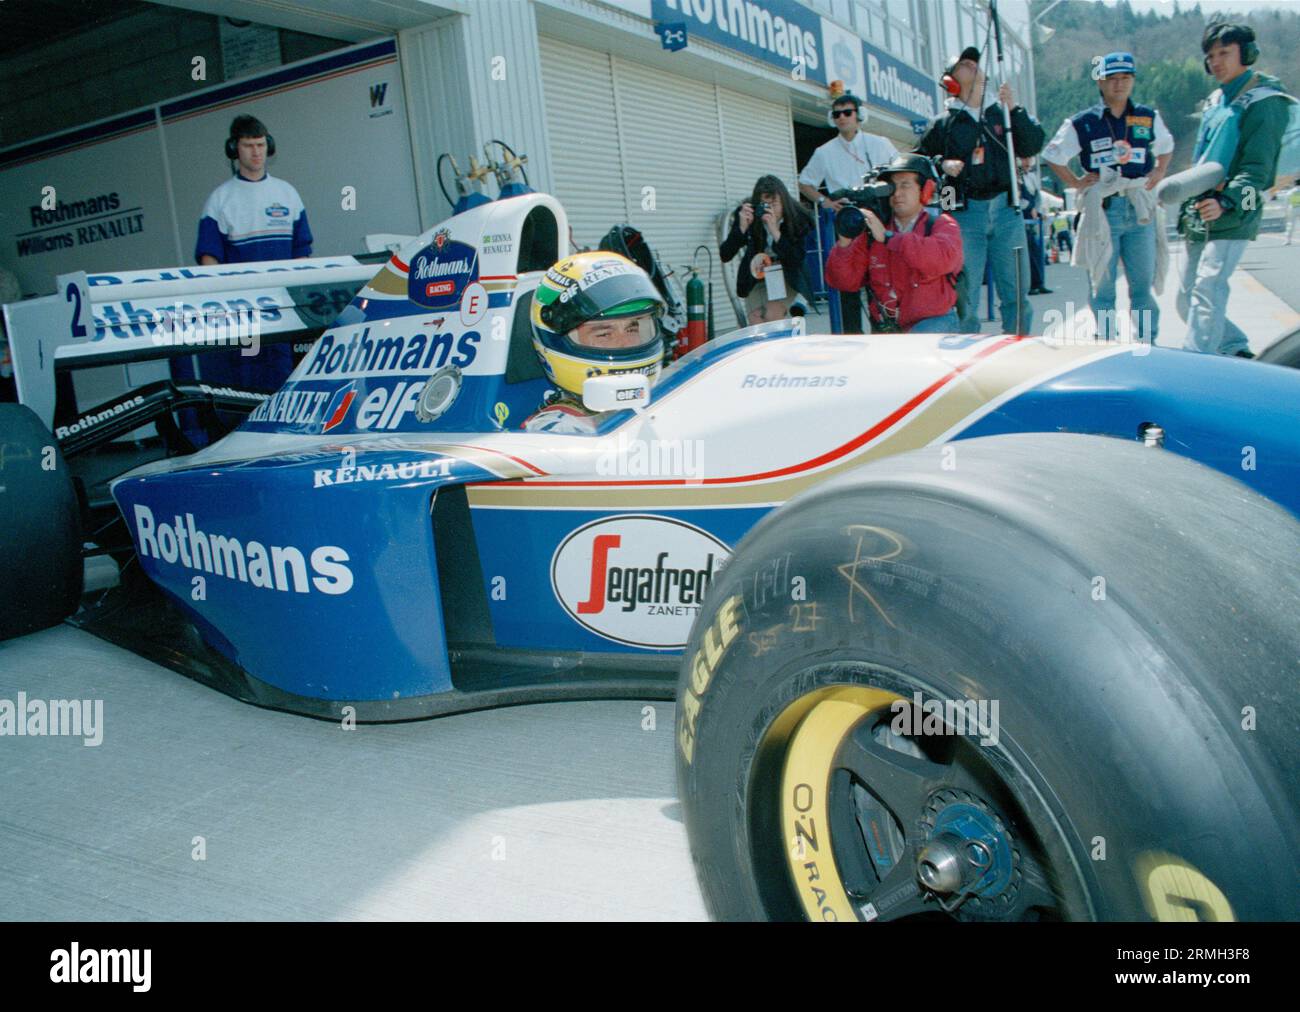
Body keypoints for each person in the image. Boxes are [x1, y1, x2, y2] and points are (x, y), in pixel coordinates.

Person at [1177, 23, 1295, 357]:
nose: (1216, 62)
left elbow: (1259, 169)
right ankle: (1234, 349)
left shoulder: (1265, 101)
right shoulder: (1217, 99)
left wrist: (1228, 202)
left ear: (1247, 54)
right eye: (1210, 55)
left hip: (1234, 208)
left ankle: (1198, 364)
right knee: (1187, 295)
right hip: (1201, 208)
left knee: (1208, 288)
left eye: (1225, 53)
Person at [1043, 52, 1173, 343]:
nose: (1119, 85)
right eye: (1112, 79)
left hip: (1139, 208)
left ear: (1133, 81)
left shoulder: (1147, 116)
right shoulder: (1084, 122)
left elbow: (1166, 145)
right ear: (1100, 82)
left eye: (1125, 78)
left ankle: (1147, 342)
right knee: (1102, 283)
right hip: (1104, 208)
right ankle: (1105, 340)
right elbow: (1052, 155)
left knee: (1142, 284)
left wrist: (1159, 171)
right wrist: (1076, 182)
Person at [917, 46, 1044, 335]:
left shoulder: (1004, 113)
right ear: (951, 81)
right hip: (962, 215)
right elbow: (919, 161)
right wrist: (941, 163)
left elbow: (1033, 144)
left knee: (1017, 290)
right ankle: (967, 357)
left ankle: (1018, 348)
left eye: (975, 61)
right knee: (965, 294)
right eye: (964, 63)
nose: (973, 65)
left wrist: (1014, 109)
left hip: (1007, 210)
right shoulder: (942, 123)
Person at [524, 251, 666, 434]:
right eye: (604, 334)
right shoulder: (558, 431)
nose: (625, 343)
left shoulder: (667, 400)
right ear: (557, 340)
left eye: (632, 329)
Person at [824, 154, 963, 334]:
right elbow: (844, 282)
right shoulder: (874, 232)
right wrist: (844, 243)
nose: (897, 193)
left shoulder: (942, 224)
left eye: (905, 185)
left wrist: (890, 238)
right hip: (888, 328)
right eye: (892, 187)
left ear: (926, 189)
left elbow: (941, 260)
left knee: (912, 350)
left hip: (933, 323)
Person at [798, 94, 899, 333]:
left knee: (880, 279)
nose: (842, 118)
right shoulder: (824, 152)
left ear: (859, 115)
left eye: (847, 112)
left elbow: (901, 172)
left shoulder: (880, 144)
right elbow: (805, 182)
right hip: (848, 221)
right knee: (848, 283)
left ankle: (883, 331)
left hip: (878, 217)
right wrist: (826, 202)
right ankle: (853, 338)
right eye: (837, 114)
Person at [196, 115, 312, 265]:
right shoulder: (219, 199)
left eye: (261, 144)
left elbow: (301, 250)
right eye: (248, 146)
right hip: (242, 288)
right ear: (234, 148)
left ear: (269, 146)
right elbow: (209, 256)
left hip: (284, 288)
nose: (256, 152)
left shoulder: (288, 193)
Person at [720, 175, 814, 325]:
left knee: (772, 315)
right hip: (759, 271)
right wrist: (741, 228)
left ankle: (782, 344)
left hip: (787, 273)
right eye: (764, 205)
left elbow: (796, 258)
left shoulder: (798, 218)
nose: (769, 210)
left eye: (774, 205)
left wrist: (775, 232)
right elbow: (725, 255)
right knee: (756, 319)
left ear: (784, 202)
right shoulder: (750, 214)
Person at [1019, 158, 1051, 295]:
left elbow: (1037, 197)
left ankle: (1039, 282)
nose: (1027, 162)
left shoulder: (1032, 177)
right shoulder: (1015, 176)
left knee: (1036, 251)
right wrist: (1030, 208)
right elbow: (1018, 199)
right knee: (1026, 253)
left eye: (1028, 160)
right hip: (1021, 217)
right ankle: (1030, 284)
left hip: (1032, 219)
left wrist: (1038, 211)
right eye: (1023, 160)